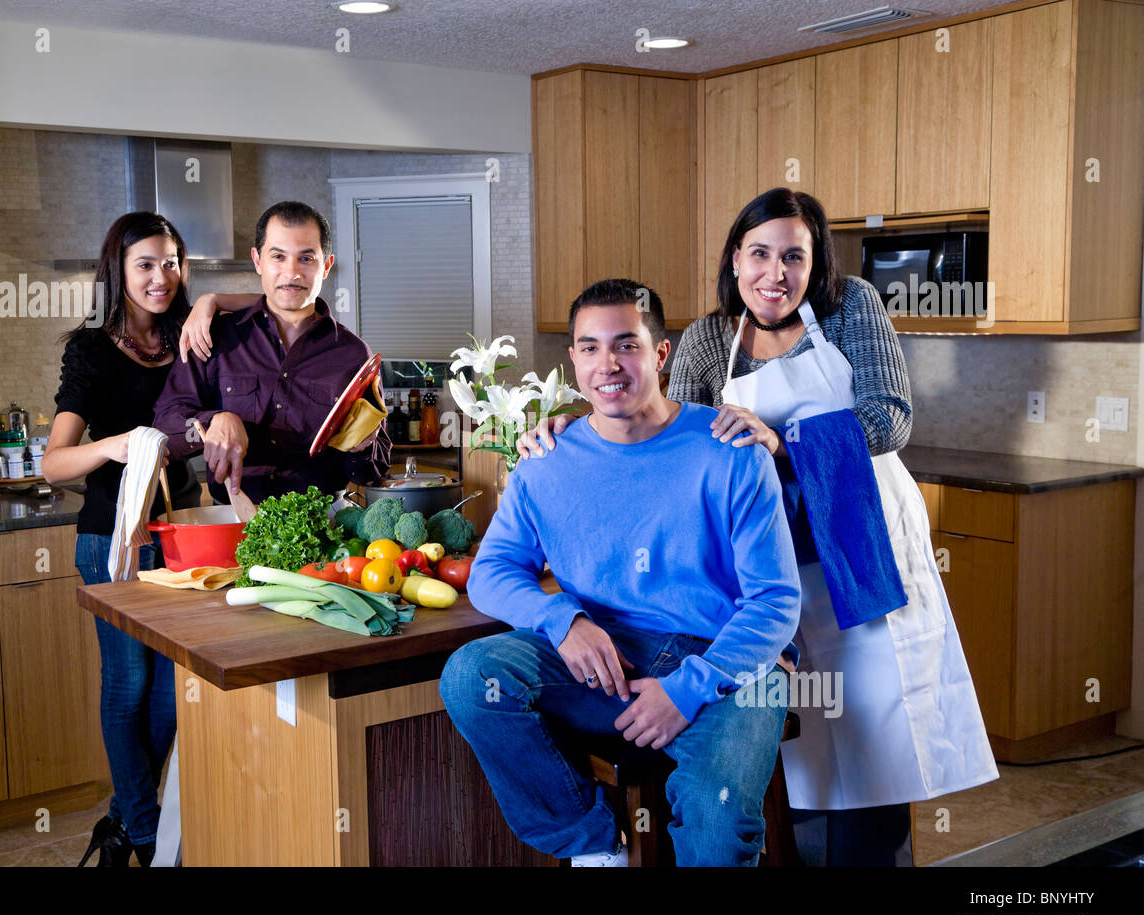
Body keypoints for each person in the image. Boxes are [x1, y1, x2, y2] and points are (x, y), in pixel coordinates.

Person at [518, 188, 998, 866]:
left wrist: (783, 442)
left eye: (794, 256)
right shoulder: (715, 337)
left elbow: (890, 418)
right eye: (760, 254)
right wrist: (577, 423)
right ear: (735, 261)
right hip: (769, 560)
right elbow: (664, 427)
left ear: (816, 261)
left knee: (878, 733)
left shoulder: (853, 305)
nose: (776, 273)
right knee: (801, 746)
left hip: (862, 550)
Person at [440, 278, 802, 867]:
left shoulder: (731, 450)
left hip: (728, 664)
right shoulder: (544, 461)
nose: (607, 364)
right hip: (608, 663)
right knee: (471, 678)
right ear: (574, 360)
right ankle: (593, 849)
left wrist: (687, 689)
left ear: (660, 355)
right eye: (589, 347)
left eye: (626, 345)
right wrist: (562, 620)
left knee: (716, 812)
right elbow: (493, 571)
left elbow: (776, 603)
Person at [42, 212, 255, 866]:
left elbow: (284, 298)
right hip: (111, 539)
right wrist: (118, 446)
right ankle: (143, 831)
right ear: (119, 271)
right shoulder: (91, 349)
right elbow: (52, 461)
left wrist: (214, 301)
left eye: (172, 263)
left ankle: (123, 817)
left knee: (170, 693)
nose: (162, 277)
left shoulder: (196, 333)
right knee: (129, 684)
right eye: (145, 265)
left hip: (185, 536)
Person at [154, 201, 390, 502]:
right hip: (232, 521)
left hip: (323, 527)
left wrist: (363, 447)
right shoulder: (214, 337)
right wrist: (215, 421)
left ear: (326, 266)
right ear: (258, 260)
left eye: (306, 258)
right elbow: (164, 427)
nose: (291, 272)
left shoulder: (353, 354)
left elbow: (377, 466)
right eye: (278, 256)